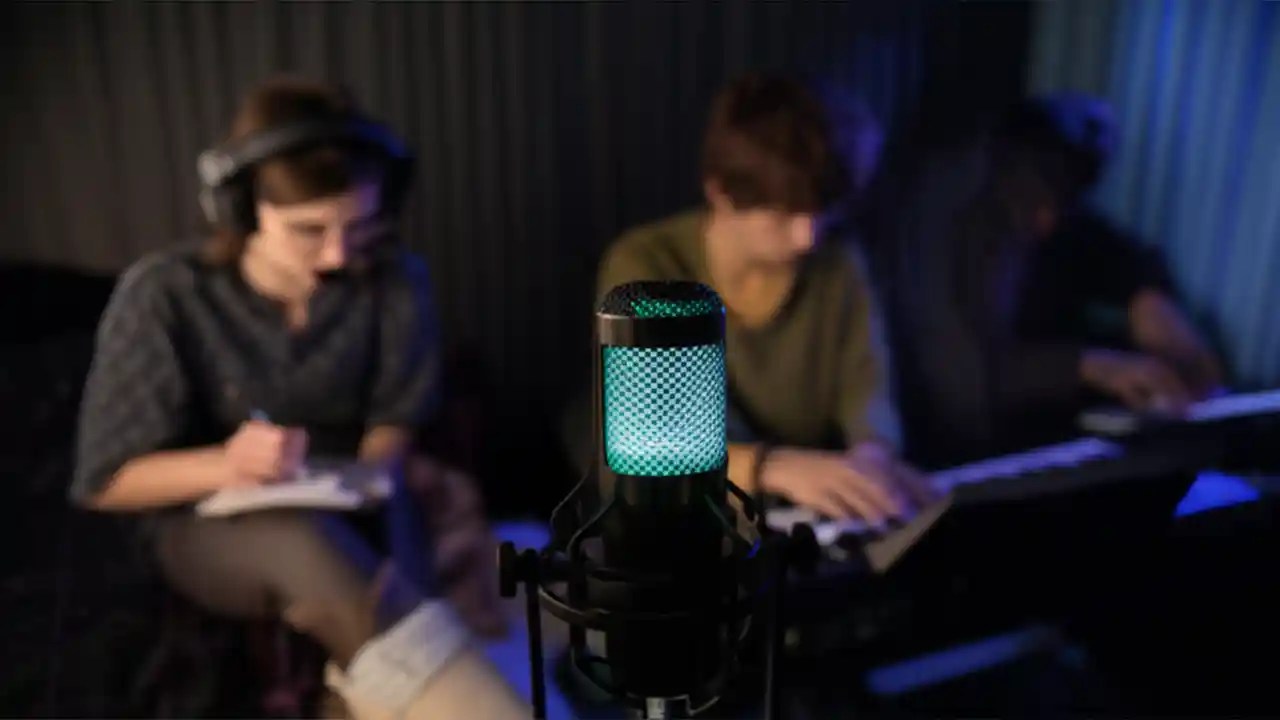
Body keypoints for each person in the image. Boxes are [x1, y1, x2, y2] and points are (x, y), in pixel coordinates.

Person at [70, 77, 527, 719]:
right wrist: (229, 465)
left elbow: (397, 414)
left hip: (357, 495)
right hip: (212, 519)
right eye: (309, 230)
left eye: (359, 227)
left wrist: (372, 470)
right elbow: (104, 481)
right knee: (304, 541)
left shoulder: (394, 280)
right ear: (241, 208)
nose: (339, 254)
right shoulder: (166, 295)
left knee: (380, 572)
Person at [593, 75, 932, 524]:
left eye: (821, 211)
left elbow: (868, 391)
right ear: (720, 192)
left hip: (798, 523)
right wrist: (773, 467)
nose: (807, 236)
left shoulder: (838, 265)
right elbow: (649, 456)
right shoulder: (650, 265)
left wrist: (872, 459)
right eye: (783, 213)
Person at [875, 93, 1223, 464]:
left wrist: (1149, 297)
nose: (1049, 223)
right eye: (1037, 205)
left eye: (1062, 203)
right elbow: (967, 385)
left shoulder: (1041, 197)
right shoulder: (945, 225)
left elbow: (1107, 248)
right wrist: (1091, 365)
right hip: (954, 453)